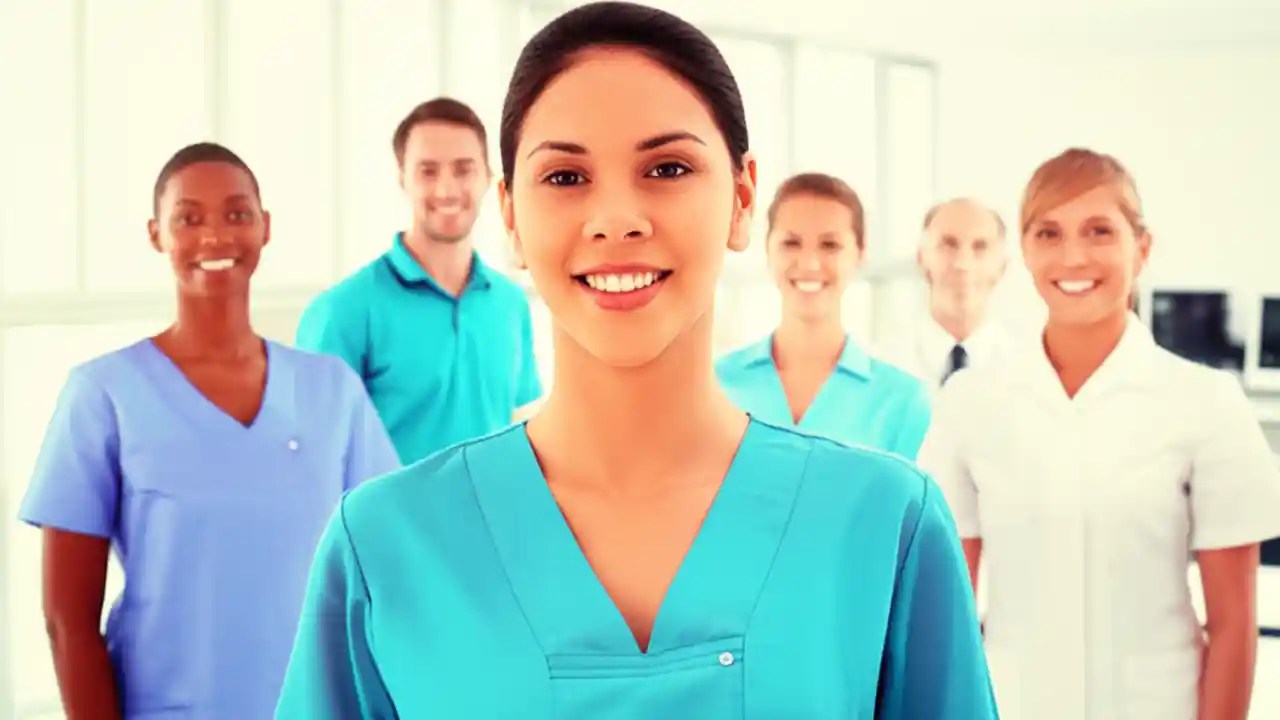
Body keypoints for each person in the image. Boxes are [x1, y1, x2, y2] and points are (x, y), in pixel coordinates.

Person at [274, 3, 995, 718]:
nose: (617, 218)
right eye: (565, 177)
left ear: (743, 199)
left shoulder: (886, 528)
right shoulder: (383, 548)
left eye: (668, 167)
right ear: (511, 217)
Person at [18, 142, 401, 720]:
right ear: (156, 234)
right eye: (189, 218)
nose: (216, 236)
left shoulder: (332, 391)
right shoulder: (104, 394)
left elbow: (383, 574)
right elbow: (66, 619)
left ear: (265, 227)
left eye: (237, 214)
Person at [918, 147, 1280, 719]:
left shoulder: (1207, 404)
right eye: (1049, 233)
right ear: (1025, 251)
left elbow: (1234, 626)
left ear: (1142, 247)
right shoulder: (970, 403)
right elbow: (945, 614)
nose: (1073, 256)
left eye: (1099, 231)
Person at [295, 97, 542, 464]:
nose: (446, 190)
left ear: (488, 178)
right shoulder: (341, 312)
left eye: (463, 170)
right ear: (402, 179)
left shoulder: (511, 304)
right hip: (383, 505)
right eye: (428, 171)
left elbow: (521, 428)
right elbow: (313, 457)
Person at [716, 173, 932, 459]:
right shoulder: (715, 385)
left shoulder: (903, 401)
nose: (809, 263)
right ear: (767, 250)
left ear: (860, 253)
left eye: (830, 245)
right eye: (791, 243)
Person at [876, 198, 1012, 390]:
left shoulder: (1030, 371)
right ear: (921, 259)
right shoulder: (879, 365)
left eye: (980, 247)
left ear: (1002, 266)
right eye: (948, 245)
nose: (962, 263)